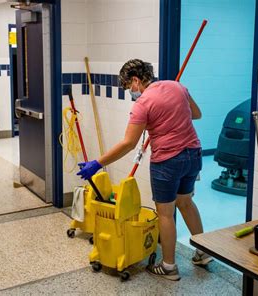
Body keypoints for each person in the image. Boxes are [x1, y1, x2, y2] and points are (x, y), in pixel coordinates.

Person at [77, 59, 212, 281]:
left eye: (128, 87)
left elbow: (128, 143)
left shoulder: (142, 104)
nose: (130, 92)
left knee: (166, 214)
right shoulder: (177, 86)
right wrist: (172, 114)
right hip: (194, 155)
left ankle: (169, 267)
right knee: (186, 202)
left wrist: (97, 163)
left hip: (168, 161)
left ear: (136, 81)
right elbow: (196, 114)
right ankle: (204, 252)